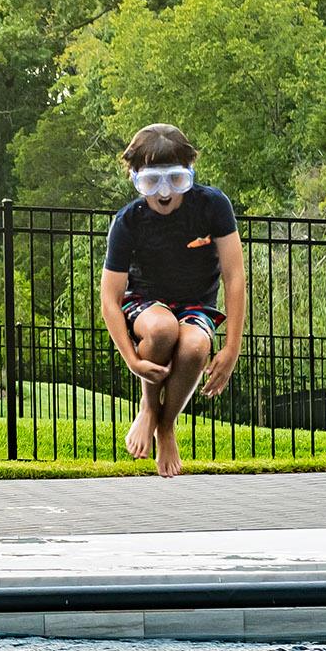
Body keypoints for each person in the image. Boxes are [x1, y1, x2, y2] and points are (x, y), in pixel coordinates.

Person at [100, 123, 245, 477]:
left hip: (196, 304)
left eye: (175, 180)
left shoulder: (213, 206)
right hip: (145, 302)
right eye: (151, 182)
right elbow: (109, 296)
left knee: (195, 346)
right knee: (163, 328)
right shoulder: (128, 222)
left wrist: (231, 348)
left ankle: (165, 425)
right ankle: (148, 407)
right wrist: (132, 360)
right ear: (135, 178)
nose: (164, 193)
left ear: (190, 174)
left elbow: (235, 276)